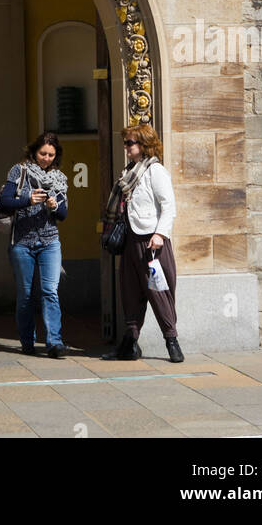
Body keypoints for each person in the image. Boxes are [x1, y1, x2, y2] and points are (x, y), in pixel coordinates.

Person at [102, 123, 183, 363]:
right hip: (130, 240)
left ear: (144, 144)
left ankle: (172, 341)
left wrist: (160, 234)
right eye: (125, 142)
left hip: (151, 242)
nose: (126, 147)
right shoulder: (130, 170)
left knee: (159, 291)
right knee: (130, 291)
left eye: (130, 143)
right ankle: (130, 343)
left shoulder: (155, 171)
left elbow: (168, 205)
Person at [0, 130, 71, 358]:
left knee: (50, 291)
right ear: (34, 151)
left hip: (49, 242)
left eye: (50, 155)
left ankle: (54, 343)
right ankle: (27, 341)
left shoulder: (59, 178)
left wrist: (53, 205)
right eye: (42, 153)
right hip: (22, 242)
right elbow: (5, 201)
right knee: (26, 294)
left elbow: (64, 214)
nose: (46, 158)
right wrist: (27, 200)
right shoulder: (20, 171)